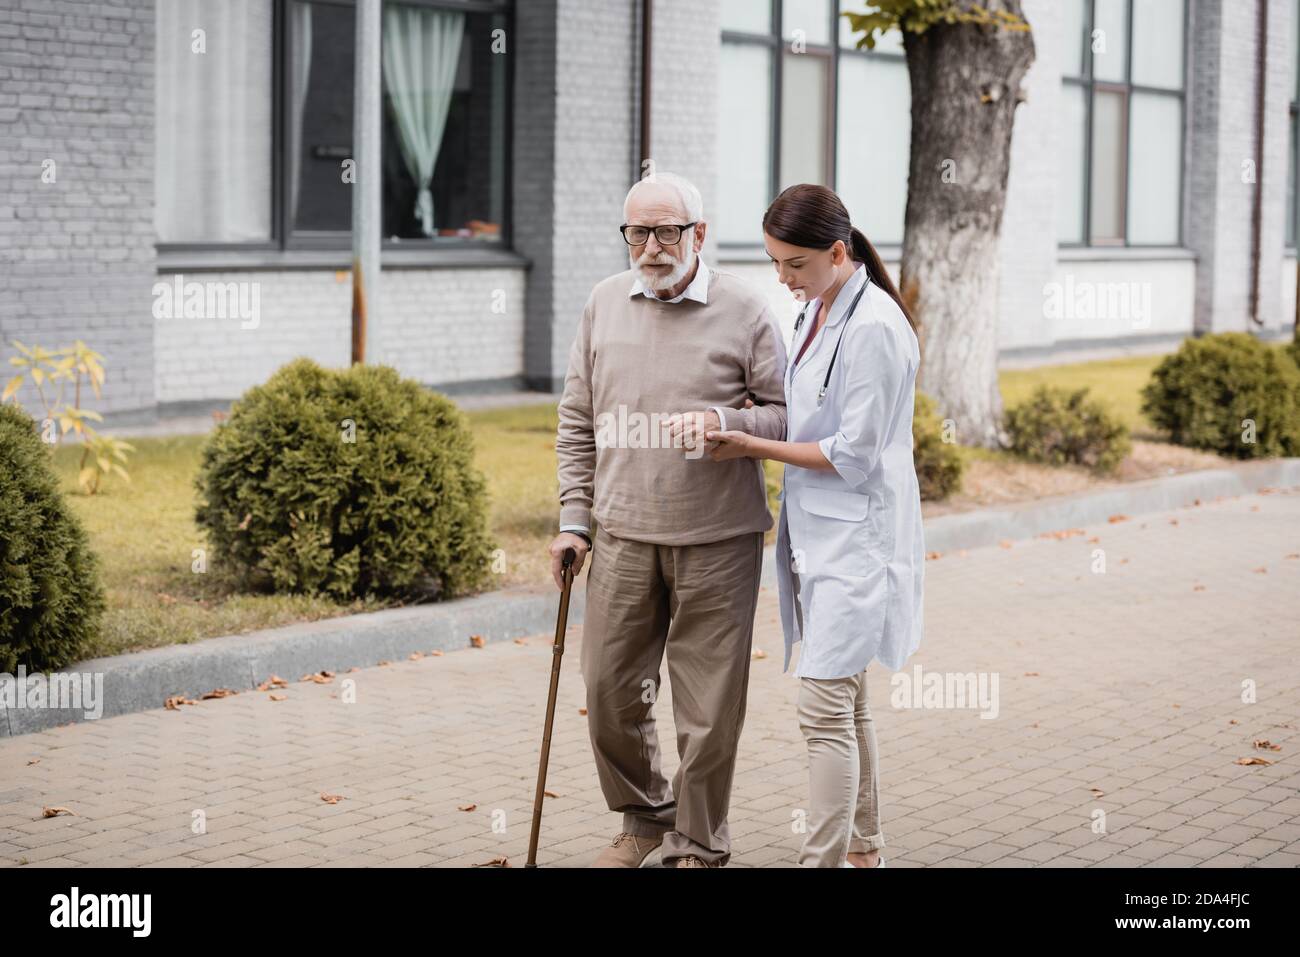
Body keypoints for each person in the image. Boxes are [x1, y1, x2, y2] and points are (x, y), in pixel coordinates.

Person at [549, 172, 789, 867]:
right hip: (622, 532)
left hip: (719, 537)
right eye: (637, 233)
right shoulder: (602, 303)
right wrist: (574, 519)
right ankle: (645, 814)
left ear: (699, 235)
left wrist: (726, 421)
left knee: (709, 707)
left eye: (666, 232)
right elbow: (576, 422)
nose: (651, 248)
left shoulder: (745, 308)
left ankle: (699, 838)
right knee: (609, 690)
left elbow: (786, 414)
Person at [705, 183, 924, 868]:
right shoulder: (816, 313)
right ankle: (864, 849)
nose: (783, 279)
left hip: (858, 544)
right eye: (774, 263)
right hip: (819, 540)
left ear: (837, 251)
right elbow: (810, 411)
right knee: (848, 702)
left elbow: (853, 454)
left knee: (823, 709)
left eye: (794, 264)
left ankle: (822, 859)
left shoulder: (876, 328)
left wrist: (750, 446)